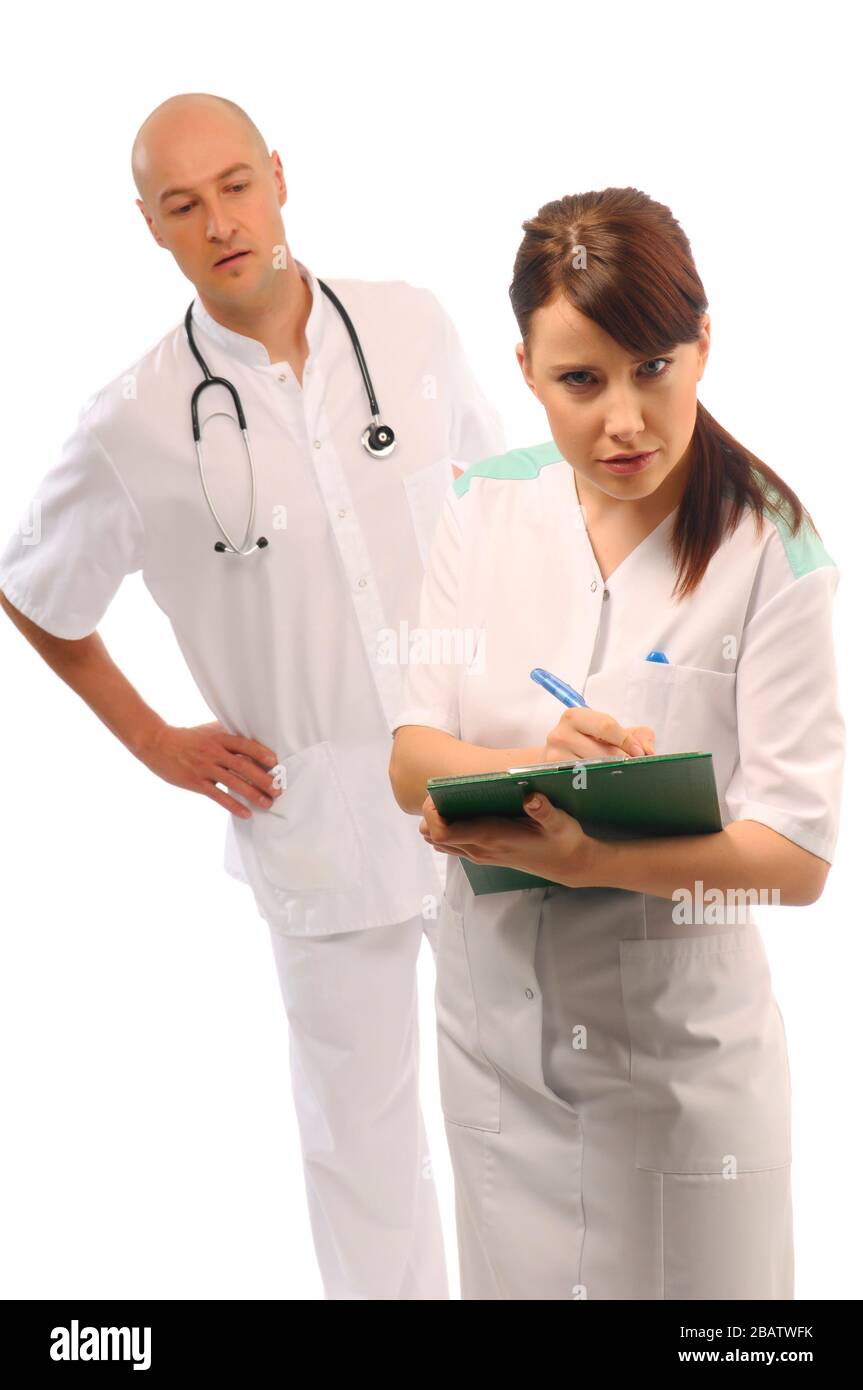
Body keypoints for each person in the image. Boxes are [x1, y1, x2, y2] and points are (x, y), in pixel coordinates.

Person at [0, 92, 506, 1300]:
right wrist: (152, 740)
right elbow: (33, 588)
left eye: (234, 185)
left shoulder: (410, 328)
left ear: (278, 176)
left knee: (522, 1115)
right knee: (363, 1148)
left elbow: (503, 509)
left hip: (483, 783)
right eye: (183, 205)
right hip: (316, 818)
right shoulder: (133, 424)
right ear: (151, 227)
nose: (219, 220)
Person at [388, 186, 845, 1300]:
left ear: (701, 345)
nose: (623, 420)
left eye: (652, 367)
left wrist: (594, 855)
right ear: (524, 372)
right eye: (578, 381)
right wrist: (543, 783)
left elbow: (794, 857)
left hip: (682, 1079)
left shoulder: (771, 552)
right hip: (497, 1054)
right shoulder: (480, 506)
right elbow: (410, 753)